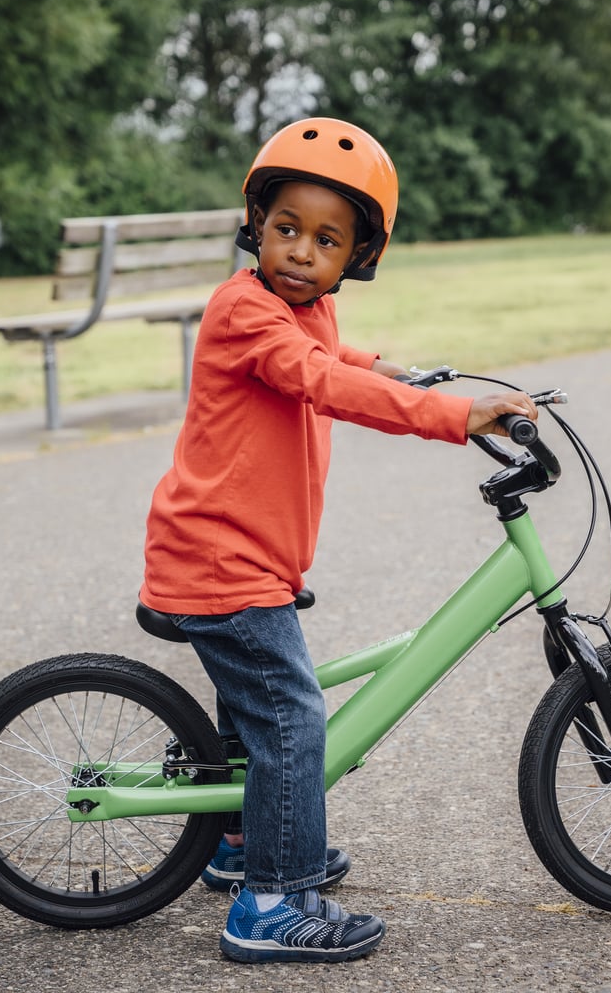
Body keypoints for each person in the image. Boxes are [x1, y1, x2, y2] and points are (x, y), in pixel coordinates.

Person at [139, 117, 537, 964]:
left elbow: (332, 352)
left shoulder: (301, 310)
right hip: (224, 562)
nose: (299, 252)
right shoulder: (245, 311)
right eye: (286, 230)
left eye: (326, 241)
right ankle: (271, 907)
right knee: (292, 721)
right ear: (255, 223)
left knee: (256, 720)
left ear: (353, 258)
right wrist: (454, 416)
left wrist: (391, 367)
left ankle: (246, 844)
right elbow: (317, 380)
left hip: (244, 555)